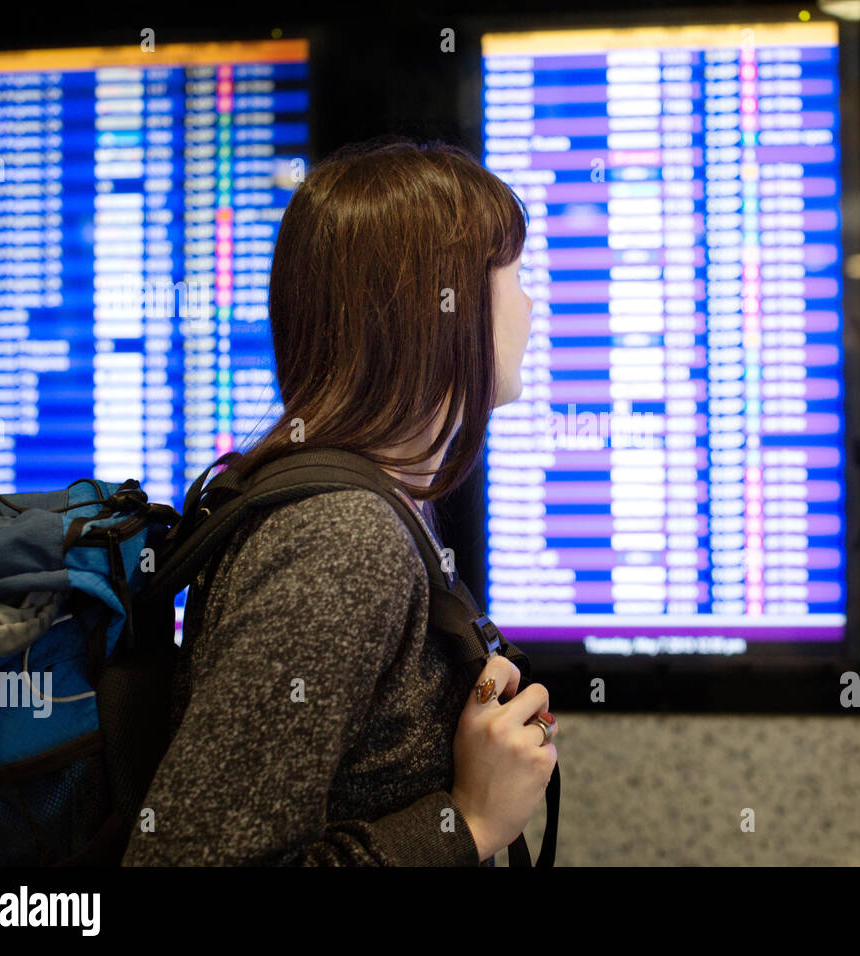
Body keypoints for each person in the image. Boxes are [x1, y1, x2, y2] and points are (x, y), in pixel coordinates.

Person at [122, 139, 557, 866]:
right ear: (439, 308)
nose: (530, 302)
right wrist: (468, 821)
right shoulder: (342, 538)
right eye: (513, 274)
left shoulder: (368, 506)